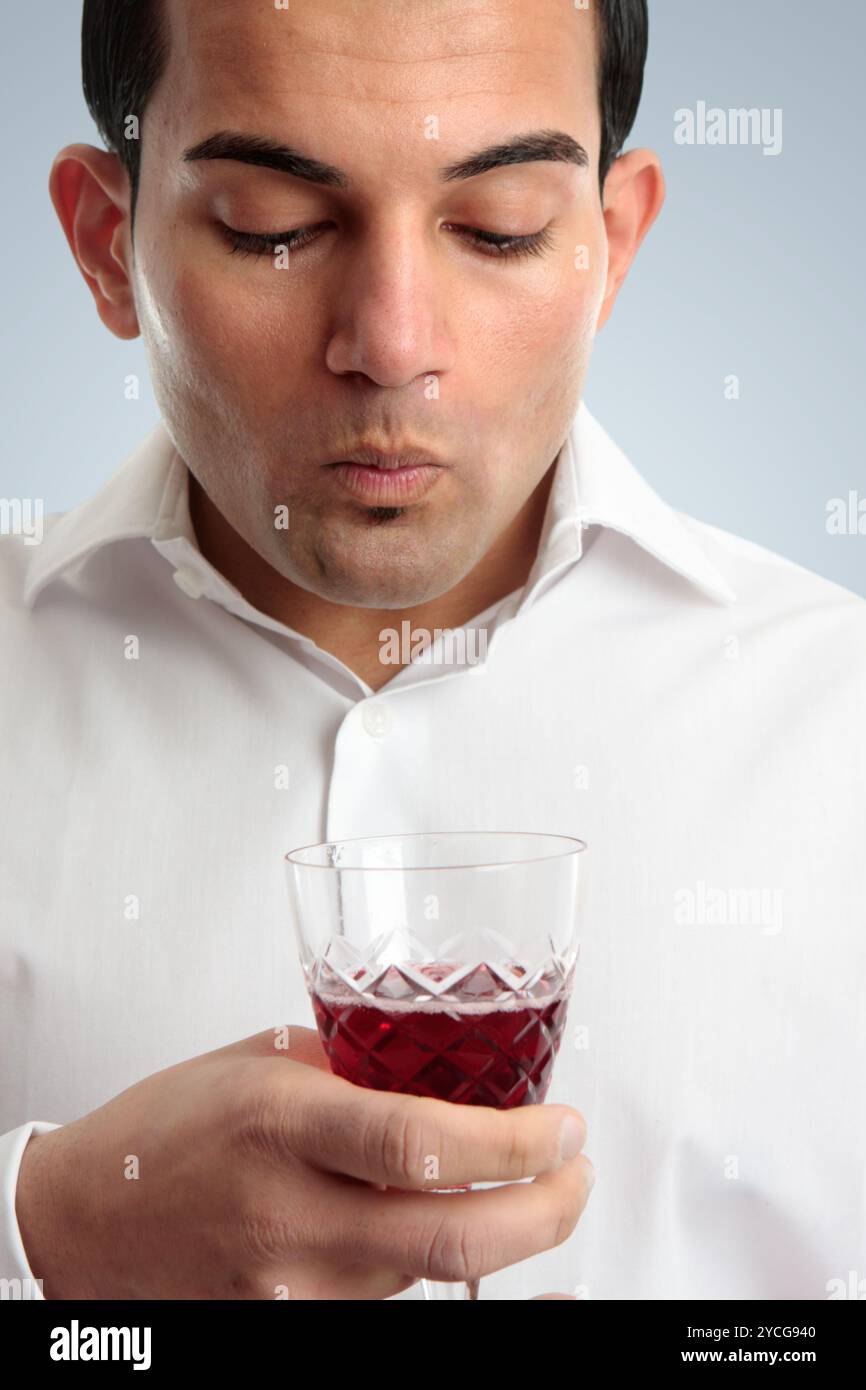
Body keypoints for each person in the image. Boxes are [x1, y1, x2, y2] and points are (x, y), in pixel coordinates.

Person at [1, 0, 863, 1301]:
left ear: (612, 244)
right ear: (105, 244)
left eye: (499, 227)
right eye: (272, 230)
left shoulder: (834, 719)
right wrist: (46, 1238)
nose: (393, 346)